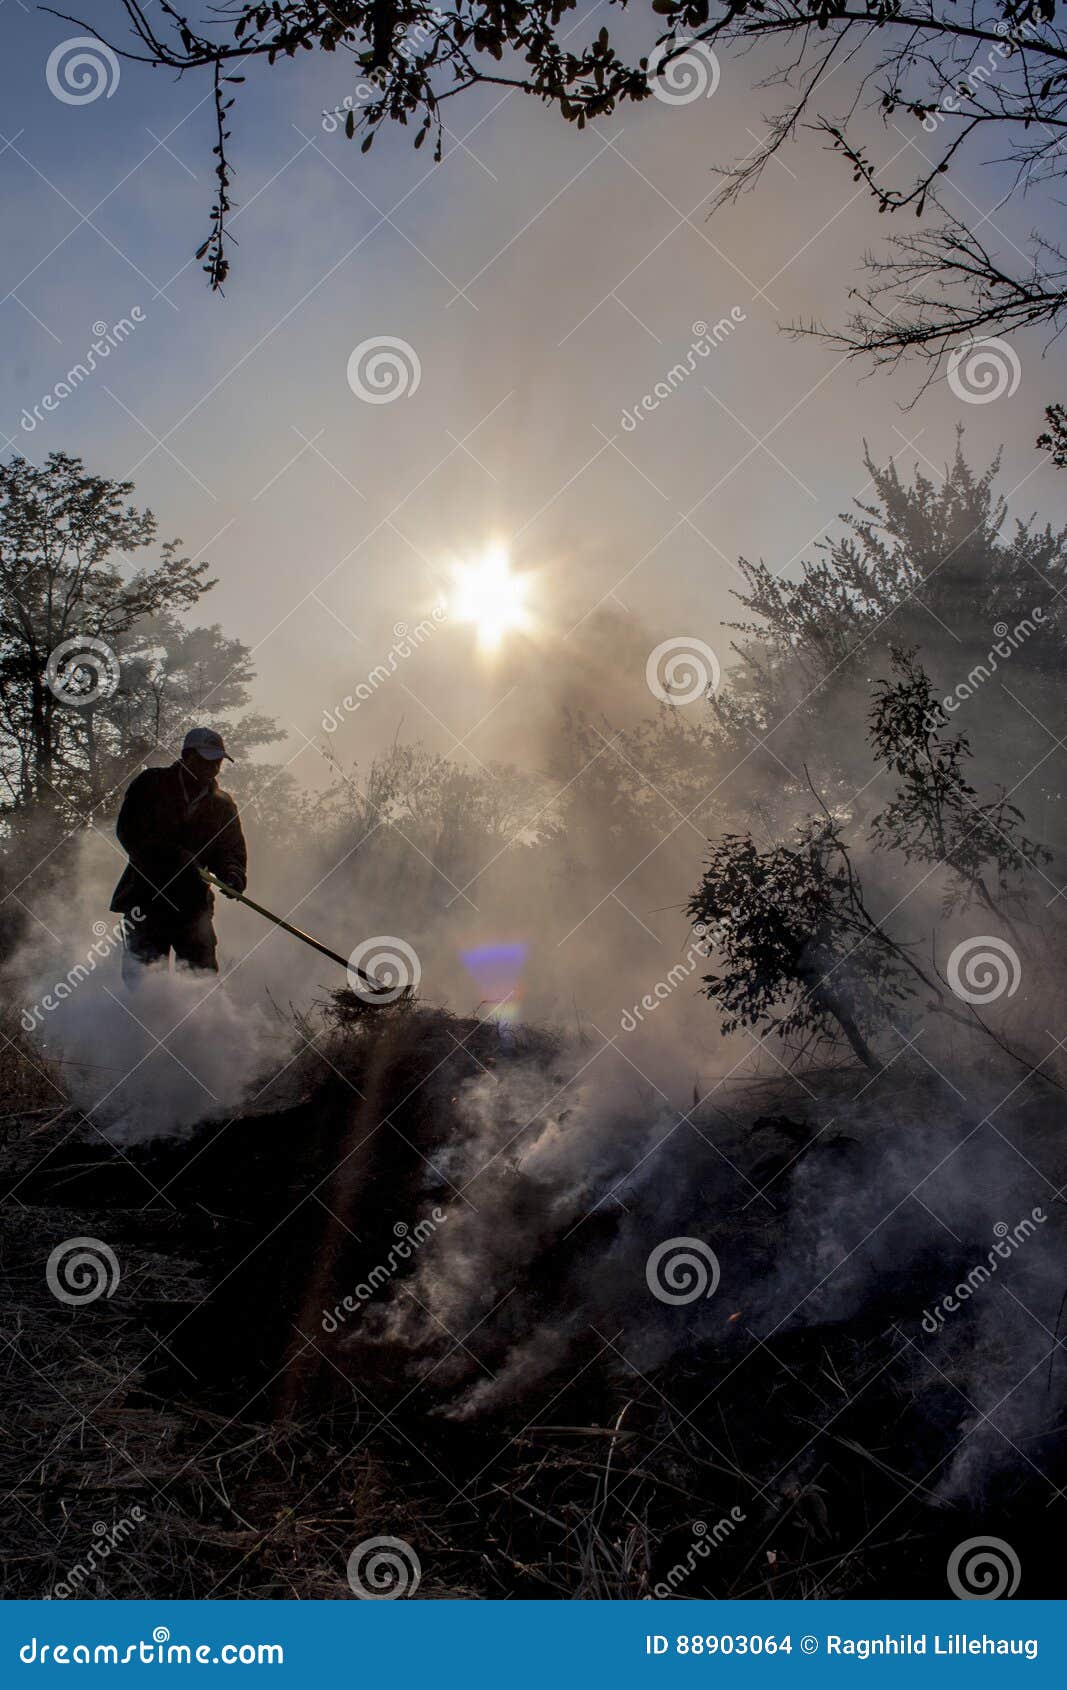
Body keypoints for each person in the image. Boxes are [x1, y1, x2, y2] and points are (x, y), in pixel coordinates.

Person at [110, 727, 247, 983]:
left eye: (217, 762)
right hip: (146, 899)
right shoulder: (151, 784)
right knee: (143, 980)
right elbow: (130, 832)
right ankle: (139, 1010)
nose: (213, 768)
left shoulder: (222, 804)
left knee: (201, 980)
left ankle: (198, 1012)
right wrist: (174, 856)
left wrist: (232, 873)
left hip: (193, 904)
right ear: (187, 756)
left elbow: (230, 848)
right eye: (207, 760)